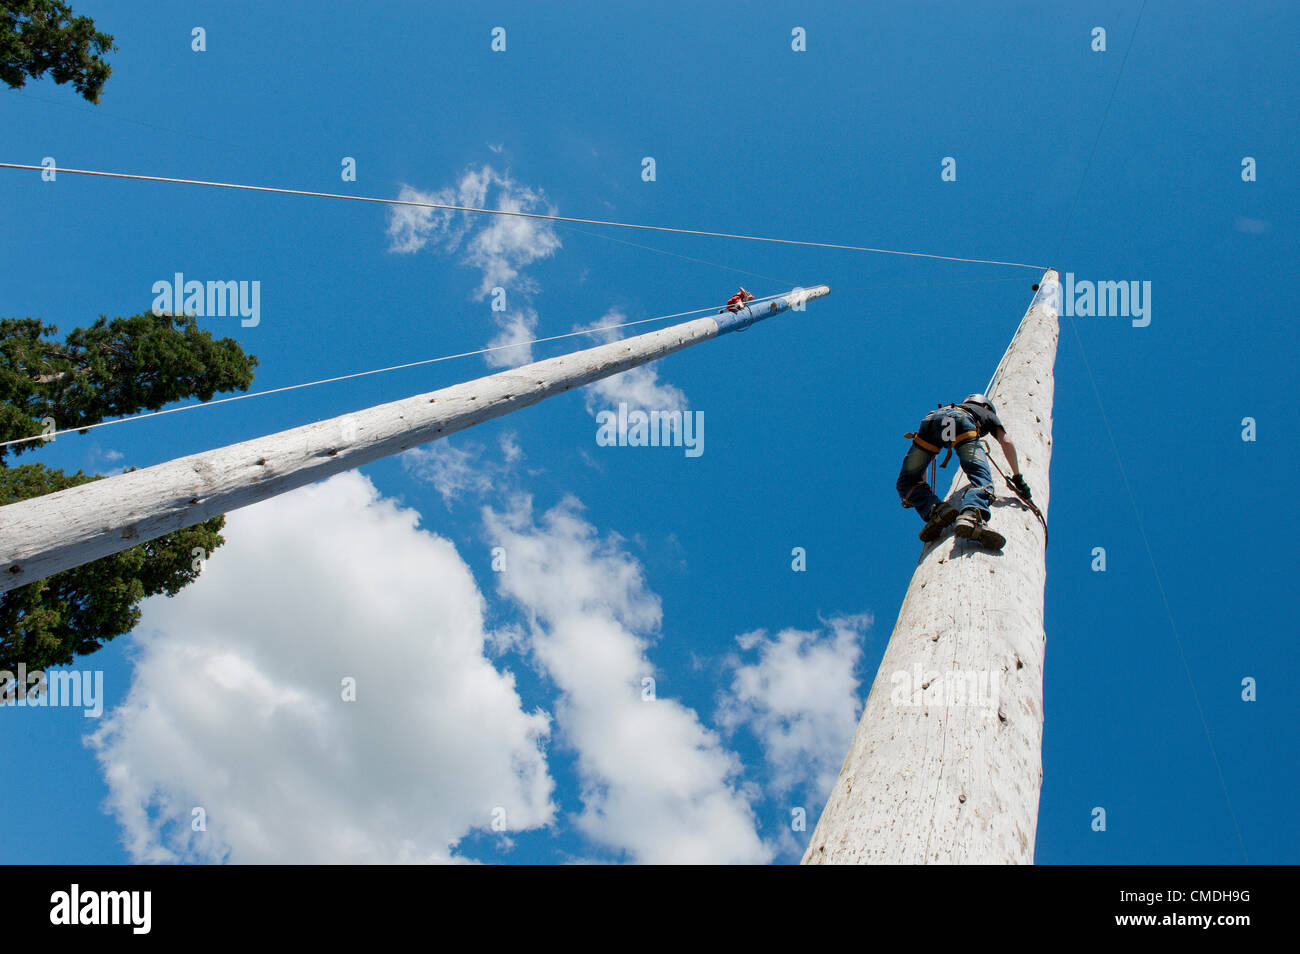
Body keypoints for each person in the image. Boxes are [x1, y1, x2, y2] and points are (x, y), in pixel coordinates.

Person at [895, 393, 1033, 549]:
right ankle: (971, 515)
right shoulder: (986, 412)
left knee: (906, 483)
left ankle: (936, 511)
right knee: (981, 479)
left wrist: (924, 495)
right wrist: (1017, 478)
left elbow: (922, 464)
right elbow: (1005, 441)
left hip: (932, 422)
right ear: (986, 406)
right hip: (962, 423)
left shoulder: (954, 406)